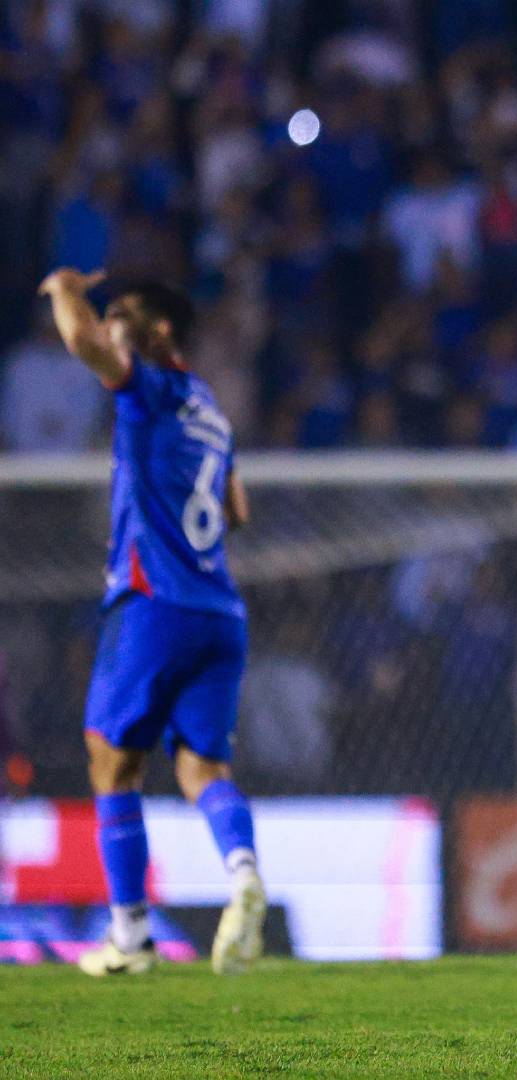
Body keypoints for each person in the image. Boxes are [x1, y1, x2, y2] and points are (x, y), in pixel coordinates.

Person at [37, 270, 266, 977]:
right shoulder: (210, 410)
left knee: (111, 758)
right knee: (202, 767)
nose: (107, 328)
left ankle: (130, 935)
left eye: (121, 319)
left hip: (153, 604)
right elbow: (237, 512)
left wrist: (62, 288)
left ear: (156, 333)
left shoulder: (151, 389)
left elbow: (77, 337)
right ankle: (243, 871)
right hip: (219, 611)